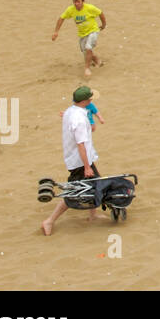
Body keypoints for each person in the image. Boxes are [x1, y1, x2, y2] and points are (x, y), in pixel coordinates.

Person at [40, 86, 103, 235]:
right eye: (89, 98)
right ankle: (49, 221)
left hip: (81, 159)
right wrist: (87, 167)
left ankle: (93, 215)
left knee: (94, 184)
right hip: (80, 161)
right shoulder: (79, 119)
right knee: (75, 191)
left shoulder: (71, 111)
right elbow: (80, 144)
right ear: (84, 101)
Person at [52, 0, 107, 77]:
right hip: (82, 34)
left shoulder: (89, 8)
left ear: (83, 1)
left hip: (93, 31)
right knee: (85, 52)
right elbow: (61, 18)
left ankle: (87, 68)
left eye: (78, 2)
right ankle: (98, 61)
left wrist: (103, 25)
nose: (76, 4)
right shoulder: (71, 9)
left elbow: (100, 13)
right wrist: (56, 32)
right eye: (74, 2)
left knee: (88, 47)